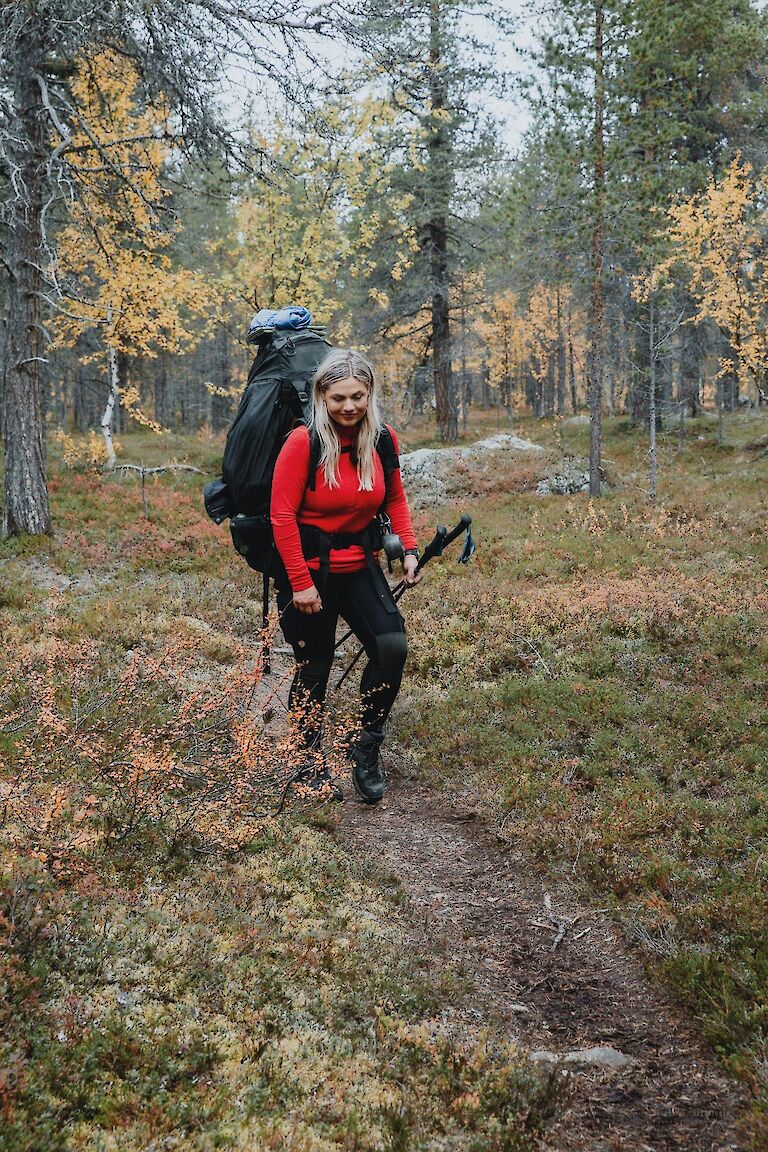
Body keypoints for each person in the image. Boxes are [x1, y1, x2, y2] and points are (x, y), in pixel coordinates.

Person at [270, 348, 421, 804]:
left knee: (391, 647)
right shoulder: (303, 442)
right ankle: (307, 759)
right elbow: (281, 517)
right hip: (310, 572)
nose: (349, 406)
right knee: (315, 666)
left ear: (369, 394)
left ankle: (366, 745)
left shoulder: (382, 439)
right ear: (321, 396)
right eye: (338, 398)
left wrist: (409, 549)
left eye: (357, 396)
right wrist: (300, 583)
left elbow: (394, 499)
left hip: (360, 565)